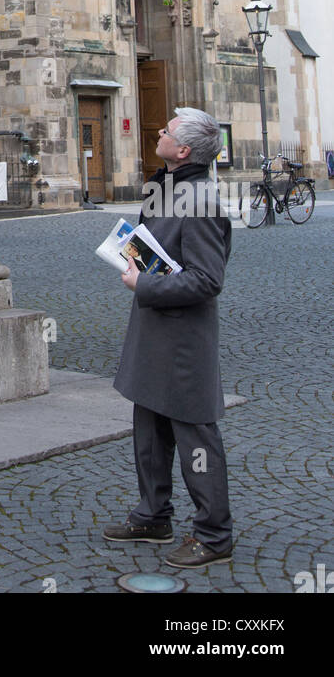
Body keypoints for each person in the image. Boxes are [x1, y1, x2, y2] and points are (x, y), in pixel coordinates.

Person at [103, 107, 234, 568]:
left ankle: (214, 534)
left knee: (194, 434)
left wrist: (146, 285)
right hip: (155, 328)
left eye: (167, 130)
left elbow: (207, 279)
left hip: (183, 339)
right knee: (150, 430)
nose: (158, 130)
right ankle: (153, 516)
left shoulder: (199, 199)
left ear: (183, 150)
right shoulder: (168, 186)